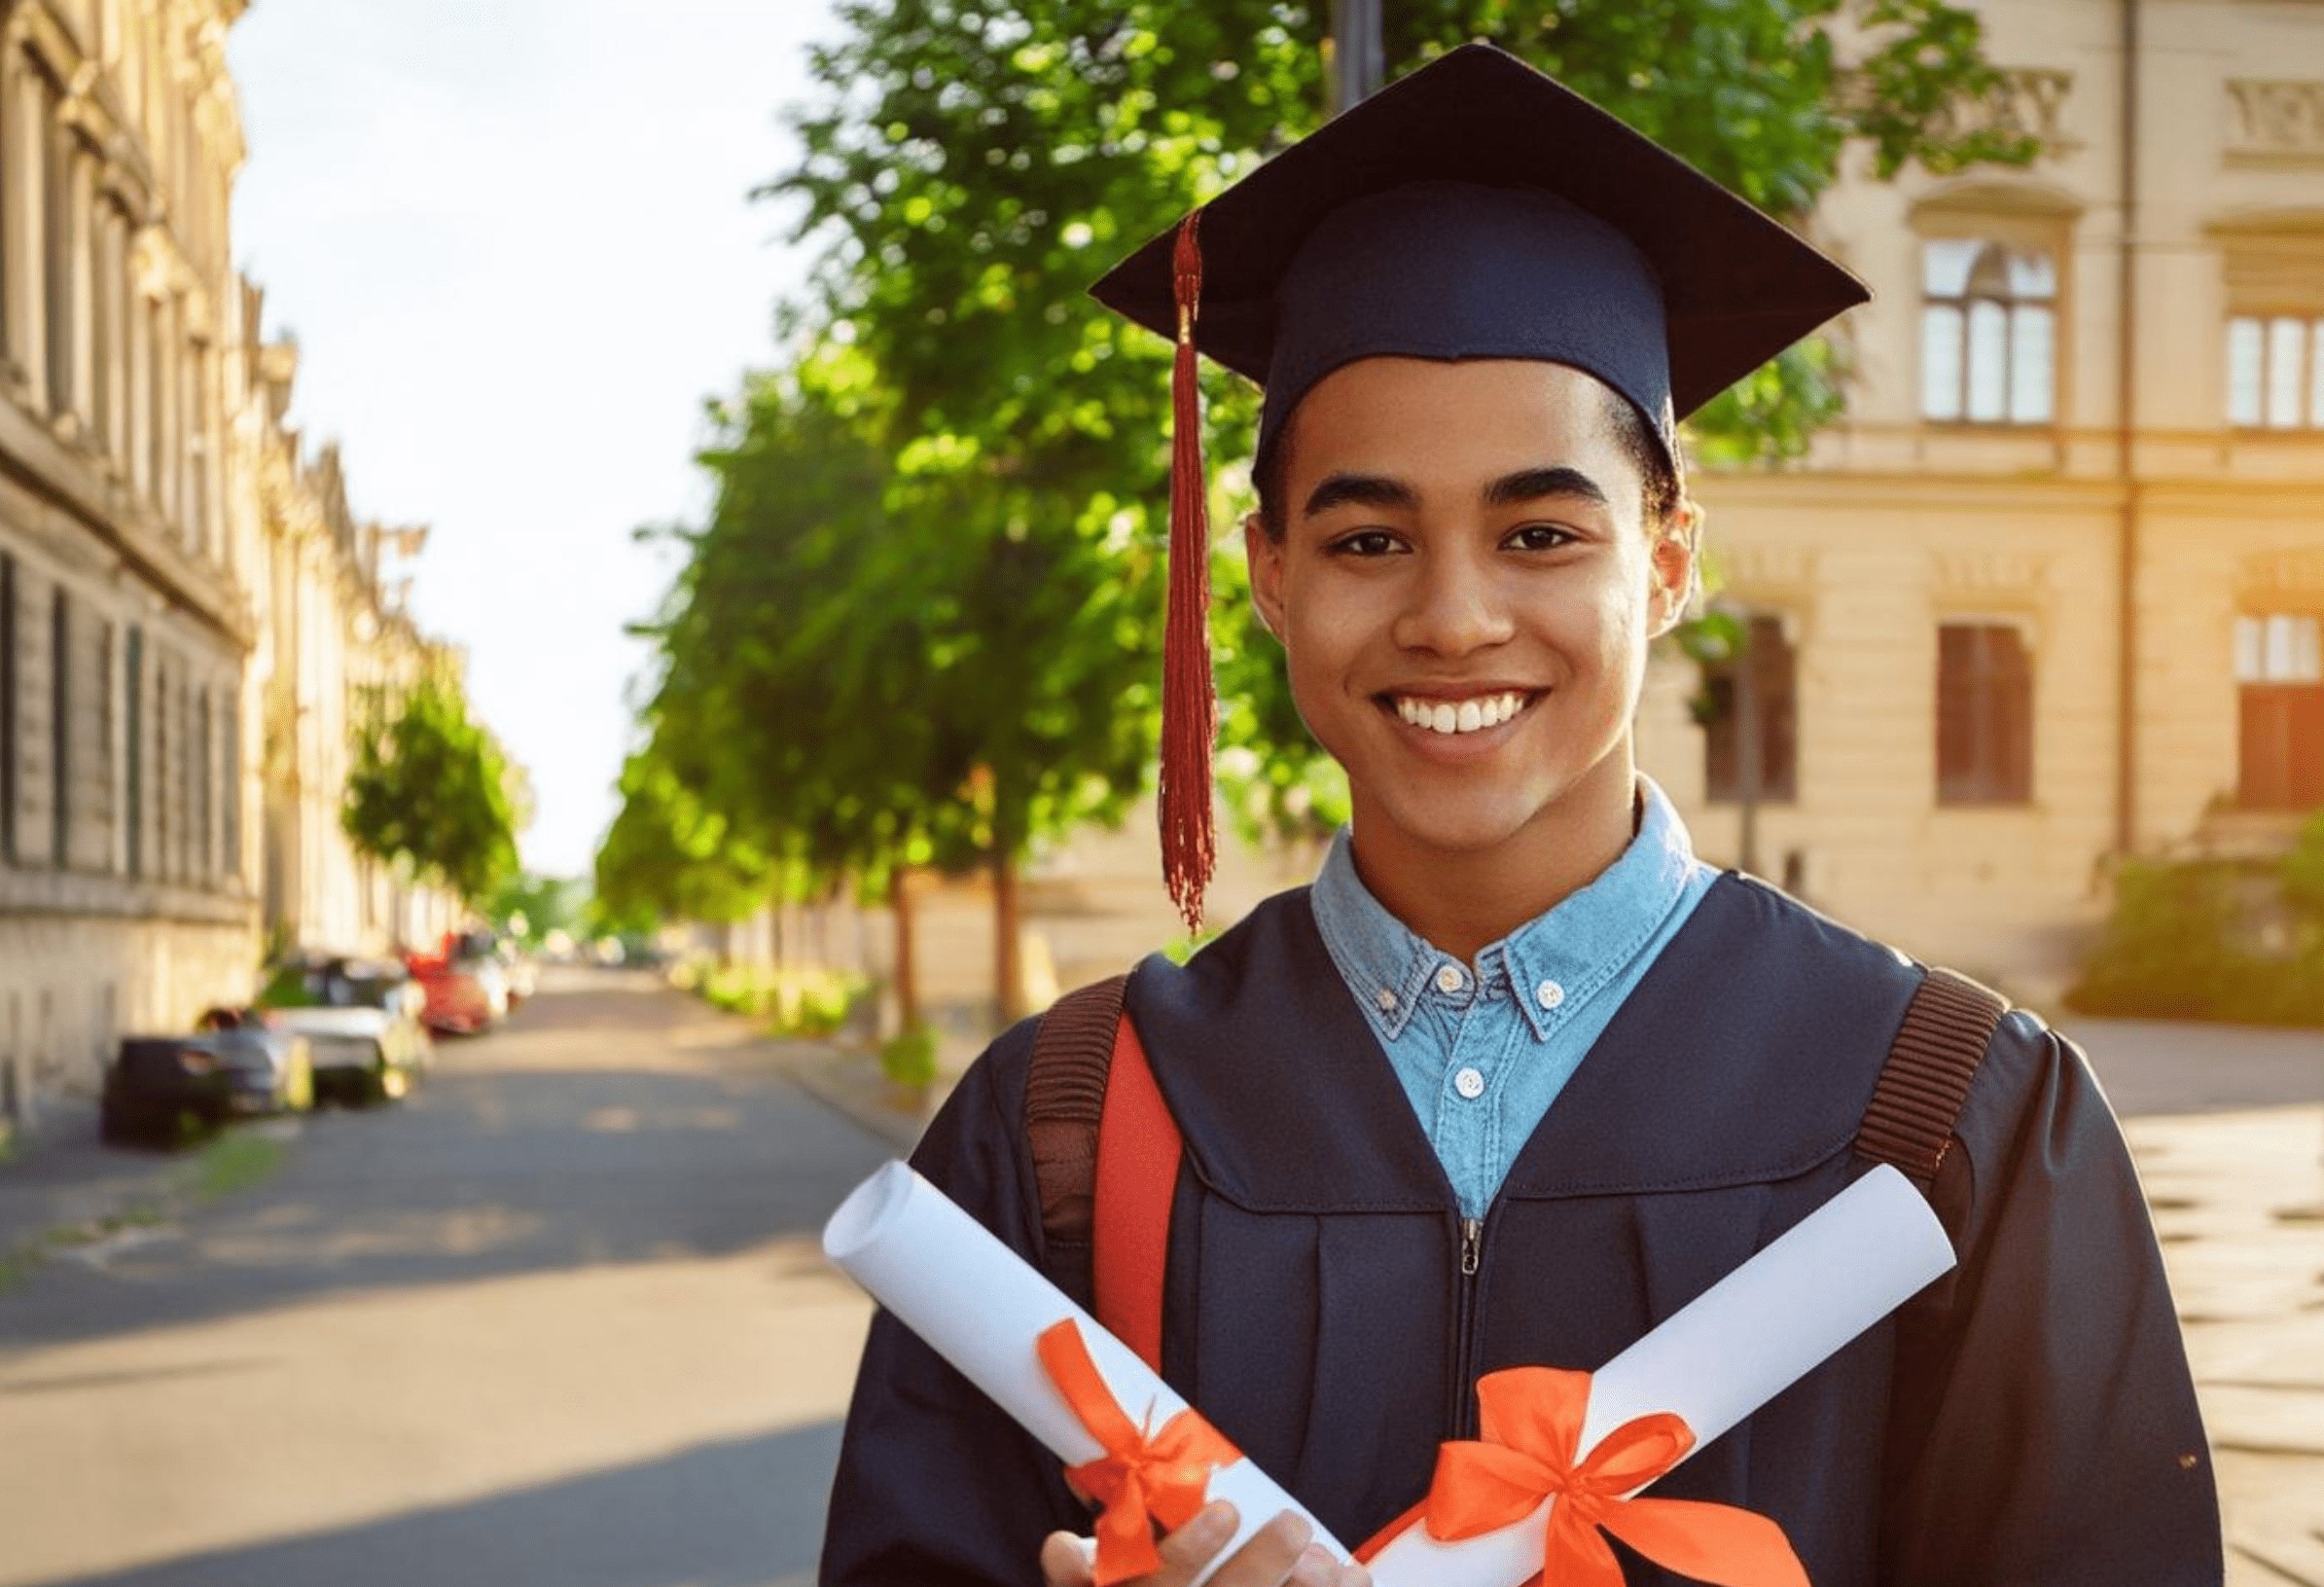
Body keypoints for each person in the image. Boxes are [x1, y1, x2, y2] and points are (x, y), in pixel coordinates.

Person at [819, 42, 2221, 1587]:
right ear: (1270, 575)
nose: (1452, 618)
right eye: (1367, 541)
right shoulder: (1069, 1127)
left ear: (1667, 564)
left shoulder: (1944, 1114)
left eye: (1541, 532)